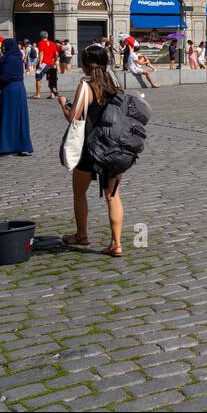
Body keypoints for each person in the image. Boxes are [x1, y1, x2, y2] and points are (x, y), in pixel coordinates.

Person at [60, 44, 127, 257]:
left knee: (79, 193)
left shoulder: (86, 85)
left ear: (86, 65)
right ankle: (116, 244)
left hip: (89, 148)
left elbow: (74, 117)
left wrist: (63, 104)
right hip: (113, 146)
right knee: (113, 196)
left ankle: (82, 235)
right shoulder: (114, 83)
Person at [0, 38, 33, 156]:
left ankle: (5, 145)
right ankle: (22, 145)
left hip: (7, 90)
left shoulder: (7, 59)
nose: (3, 48)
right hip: (19, 90)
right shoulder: (18, 58)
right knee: (19, 118)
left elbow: (3, 76)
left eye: (4, 46)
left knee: (5, 117)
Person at [34, 31, 60, 99]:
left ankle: (38, 94)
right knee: (51, 79)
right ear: (47, 36)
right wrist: (55, 59)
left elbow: (41, 53)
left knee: (38, 78)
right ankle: (52, 94)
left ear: (41, 36)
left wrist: (40, 62)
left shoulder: (41, 43)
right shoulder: (52, 43)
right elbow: (56, 54)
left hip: (43, 64)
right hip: (51, 64)